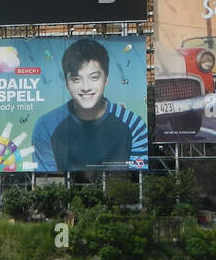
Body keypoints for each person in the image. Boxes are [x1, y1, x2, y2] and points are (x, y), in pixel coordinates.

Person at [31, 39, 147, 171]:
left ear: (106, 79)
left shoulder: (134, 125)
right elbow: (47, 180)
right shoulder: (45, 126)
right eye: (76, 79)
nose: (86, 87)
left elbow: (137, 177)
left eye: (94, 77)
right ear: (66, 82)